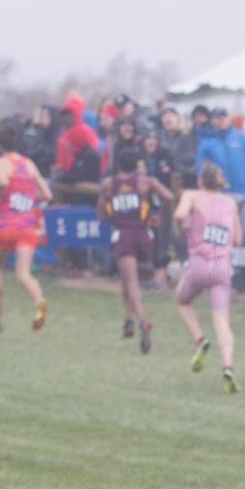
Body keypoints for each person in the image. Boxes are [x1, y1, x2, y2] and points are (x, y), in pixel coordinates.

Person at [174, 163, 242, 393]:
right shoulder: (230, 203)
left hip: (199, 262)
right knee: (222, 320)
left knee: (183, 302)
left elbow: (180, 214)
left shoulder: (192, 195)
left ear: (201, 182)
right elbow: (239, 239)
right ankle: (228, 365)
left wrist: (182, 229)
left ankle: (199, 339)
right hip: (222, 265)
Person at [99, 145, 172, 354]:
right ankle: (128, 321)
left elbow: (101, 214)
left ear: (118, 164)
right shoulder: (145, 181)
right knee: (126, 279)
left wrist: (109, 206)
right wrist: (157, 215)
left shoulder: (108, 184)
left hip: (123, 235)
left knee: (131, 282)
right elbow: (169, 197)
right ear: (137, 165)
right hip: (143, 233)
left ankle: (143, 321)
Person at [0, 120, 51, 334]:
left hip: (4, 225)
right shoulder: (29, 164)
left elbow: (4, 182)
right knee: (23, 274)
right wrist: (29, 196)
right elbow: (48, 195)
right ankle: (39, 300)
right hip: (26, 226)